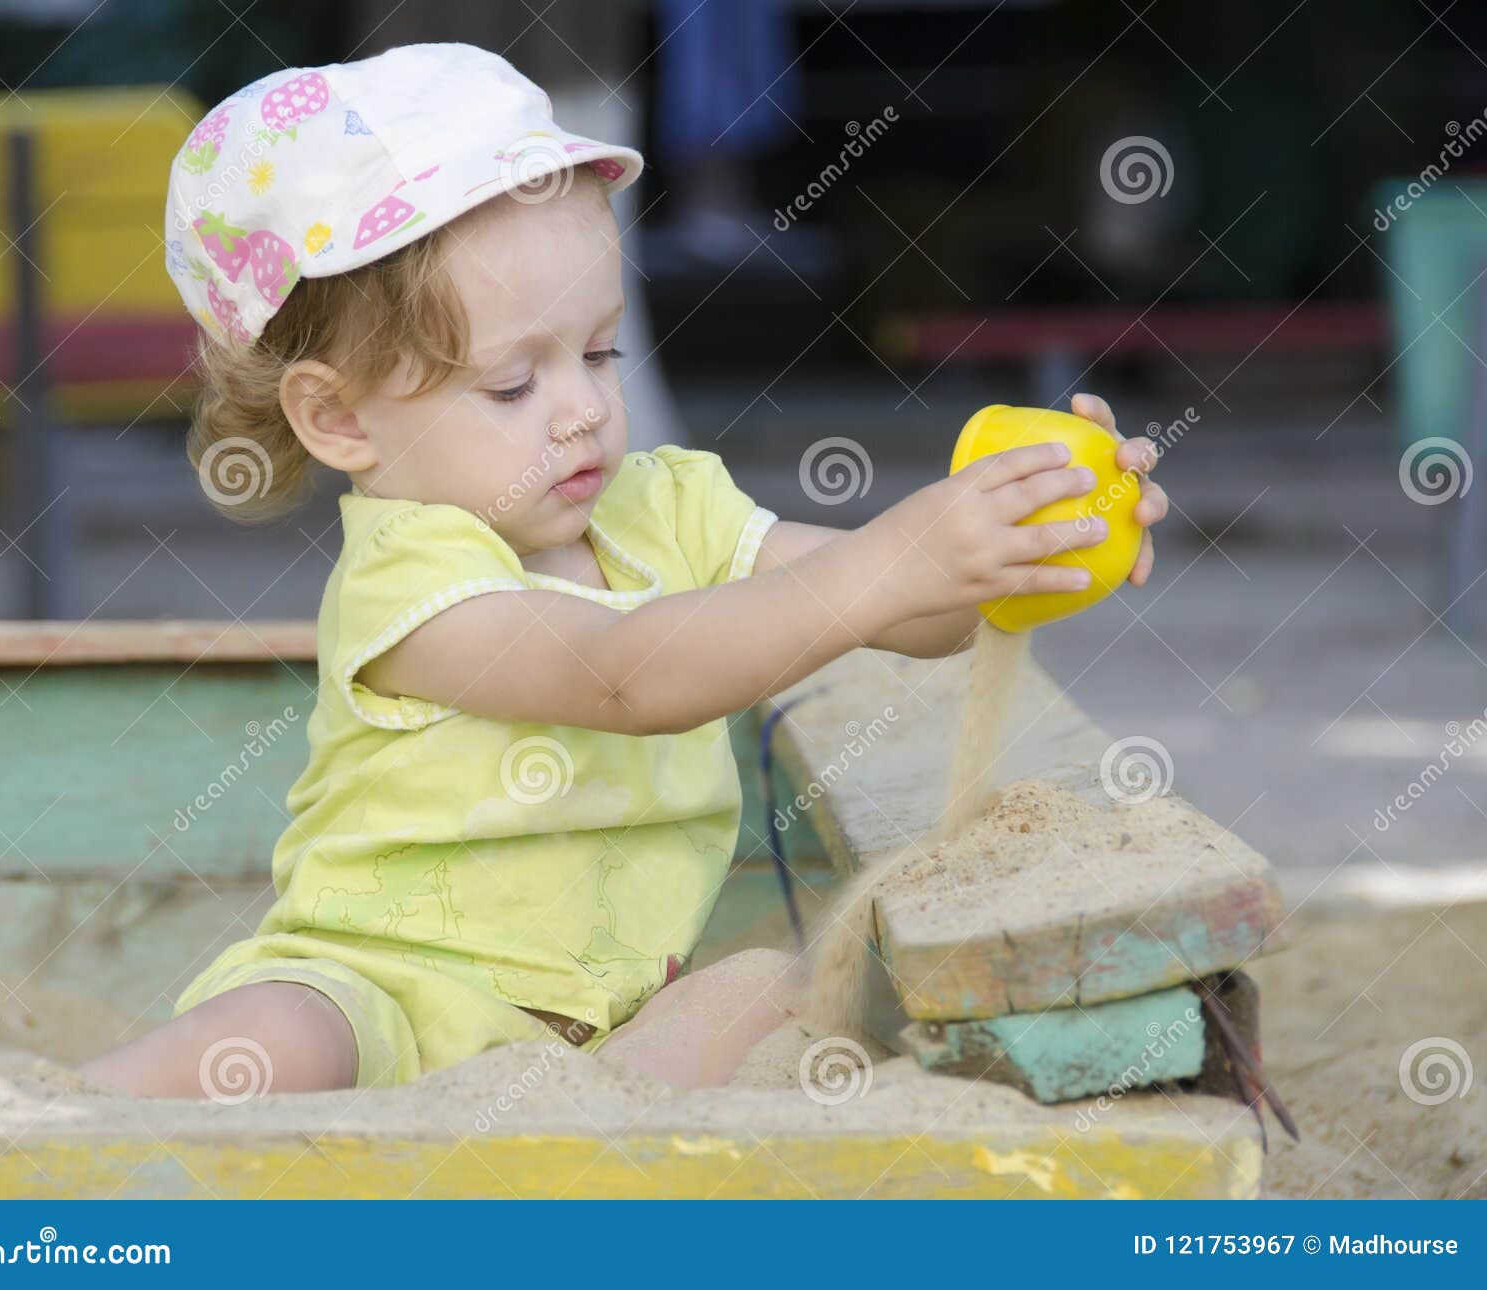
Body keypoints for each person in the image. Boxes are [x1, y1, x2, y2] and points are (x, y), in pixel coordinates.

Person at [79, 43, 1168, 1099]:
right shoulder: (408, 584)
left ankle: (572, 1162)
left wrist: (1009, 543)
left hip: (596, 1046)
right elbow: (622, 676)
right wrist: (898, 561)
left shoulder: (667, 506)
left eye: (600, 352)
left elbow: (896, 615)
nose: (586, 410)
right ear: (336, 416)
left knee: (775, 982)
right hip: (382, 1004)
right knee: (282, 1032)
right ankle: (41, 1117)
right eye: (513, 385)